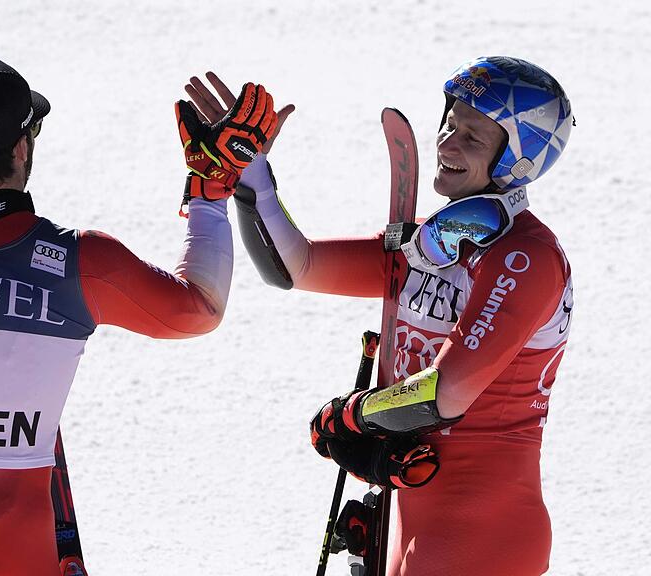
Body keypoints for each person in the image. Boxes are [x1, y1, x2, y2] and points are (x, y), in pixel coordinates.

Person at [0, 56, 277, 576]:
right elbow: (201, 307)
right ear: (21, 147)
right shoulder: (80, 262)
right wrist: (209, 189)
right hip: (18, 543)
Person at [185, 57, 574, 575]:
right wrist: (249, 176)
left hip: (485, 536)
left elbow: (445, 393)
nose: (447, 144)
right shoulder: (432, 244)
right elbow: (295, 266)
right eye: (450, 124)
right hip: (412, 526)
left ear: (516, 162)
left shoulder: (525, 259)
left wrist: (353, 417)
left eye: (473, 138)